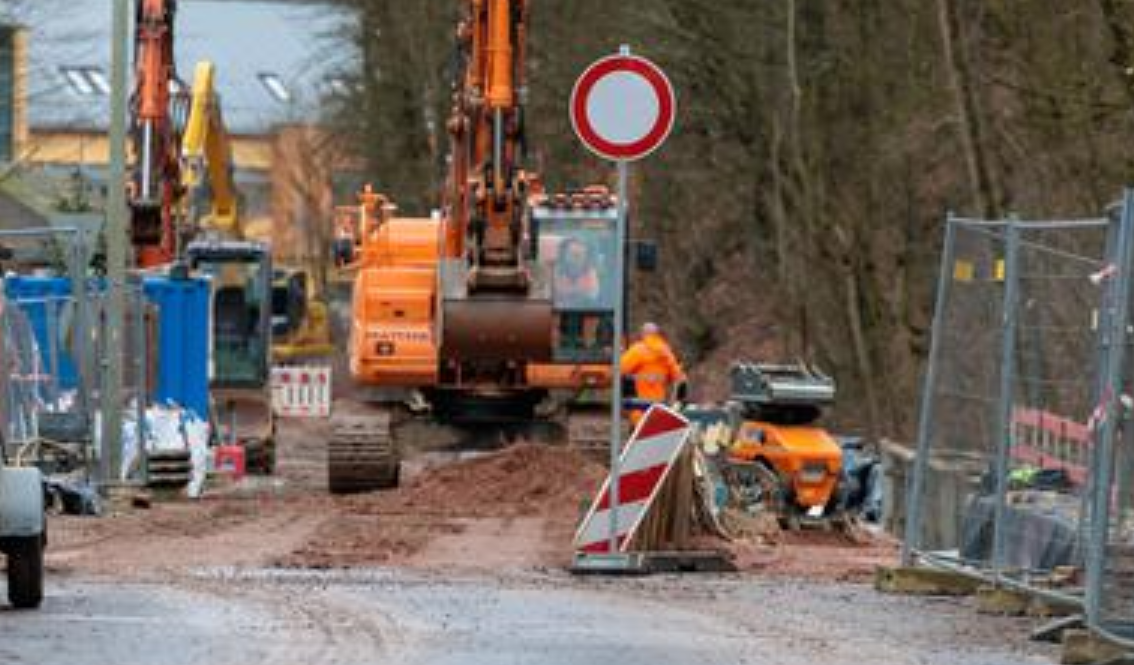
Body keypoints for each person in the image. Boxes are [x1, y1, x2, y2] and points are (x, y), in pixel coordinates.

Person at [620, 322, 687, 425]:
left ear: (643, 333)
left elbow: (619, 370)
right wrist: (678, 401)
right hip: (658, 403)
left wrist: (621, 355)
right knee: (652, 429)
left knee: (639, 429)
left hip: (638, 404)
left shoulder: (638, 350)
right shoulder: (666, 351)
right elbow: (680, 378)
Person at [554, 238, 601, 350]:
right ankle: (554, 345)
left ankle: (589, 345)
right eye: (573, 255)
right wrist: (574, 293)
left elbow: (592, 294)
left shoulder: (590, 272)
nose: (576, 259)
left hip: (582, 310)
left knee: (594, 310)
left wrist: (570, 294)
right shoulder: (556, 271)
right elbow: (553, 293)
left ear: (586, 258)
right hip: (561, 310)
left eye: (580, 255)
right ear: (564, 256)